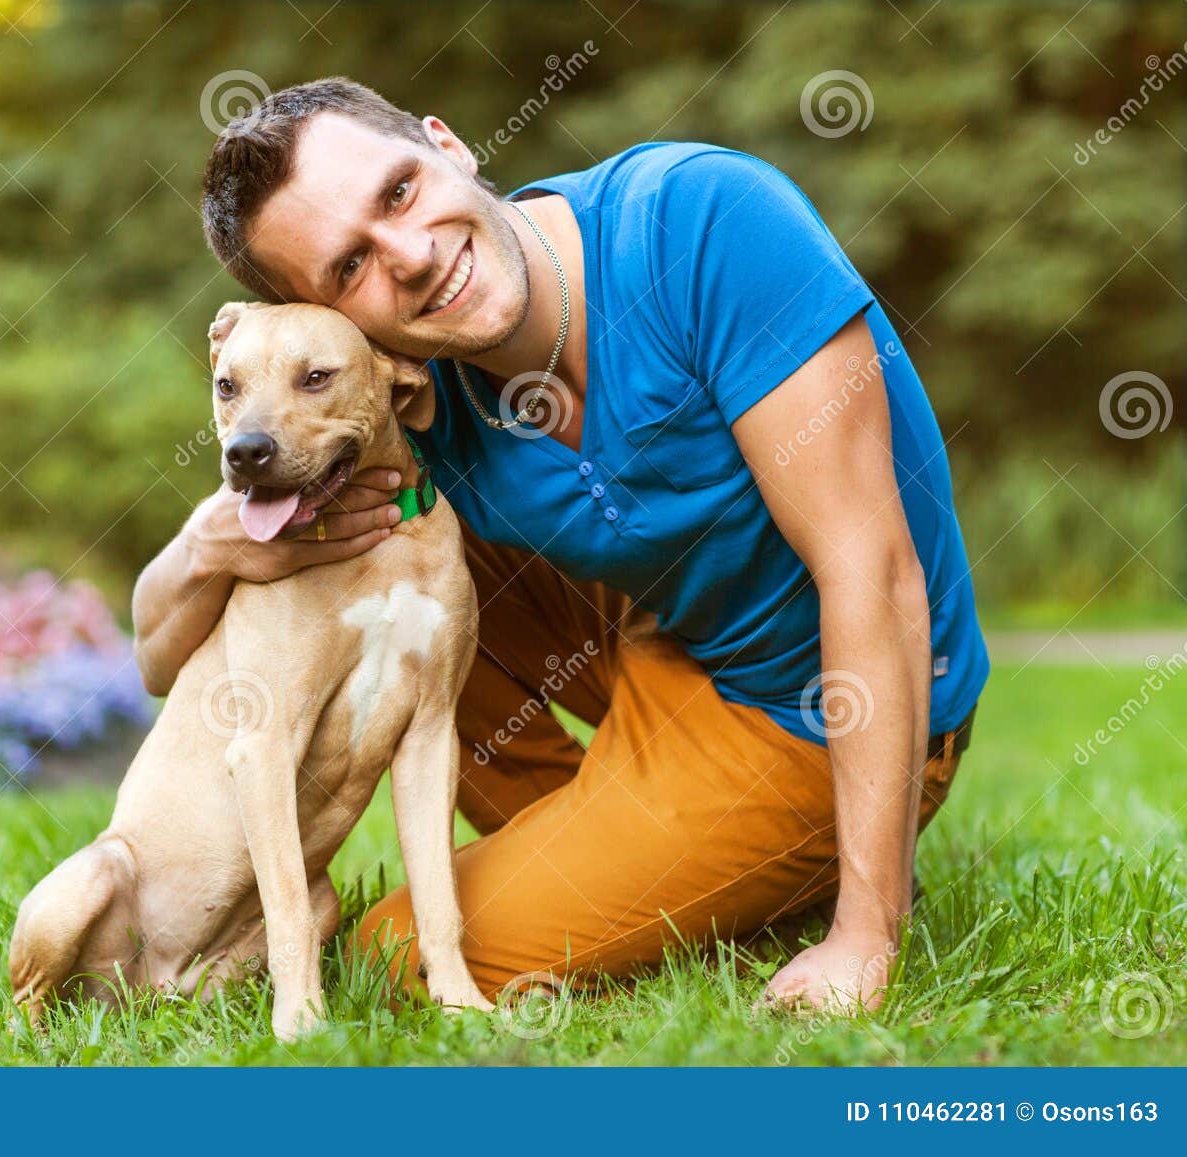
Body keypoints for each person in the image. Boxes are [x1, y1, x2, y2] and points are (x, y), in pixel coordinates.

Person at [134, 77, 987, 1012]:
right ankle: (603, 837)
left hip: (813, 707)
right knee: (390, 543)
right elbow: (156, 654)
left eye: (400, 190)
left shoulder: (700, 224)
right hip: (663, 639)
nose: (412, 255)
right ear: (336, 326)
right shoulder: (403, 398)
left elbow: (877, 575)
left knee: (400, 949)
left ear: (447, 143)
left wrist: (870, 935)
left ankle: (752, 862)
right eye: (350, 269)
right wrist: (208, 542)